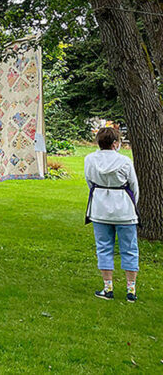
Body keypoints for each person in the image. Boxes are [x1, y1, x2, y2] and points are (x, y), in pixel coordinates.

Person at [85, 125, 139, 302]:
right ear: (115, 143)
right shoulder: (125, 162)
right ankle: (131, 290)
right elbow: (134, 187)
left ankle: (108, 288)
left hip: (100, 210)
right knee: (129, 248)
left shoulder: (90, 160)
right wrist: (131, 205)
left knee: (104, 247)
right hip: (124, 211)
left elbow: (89, 182)